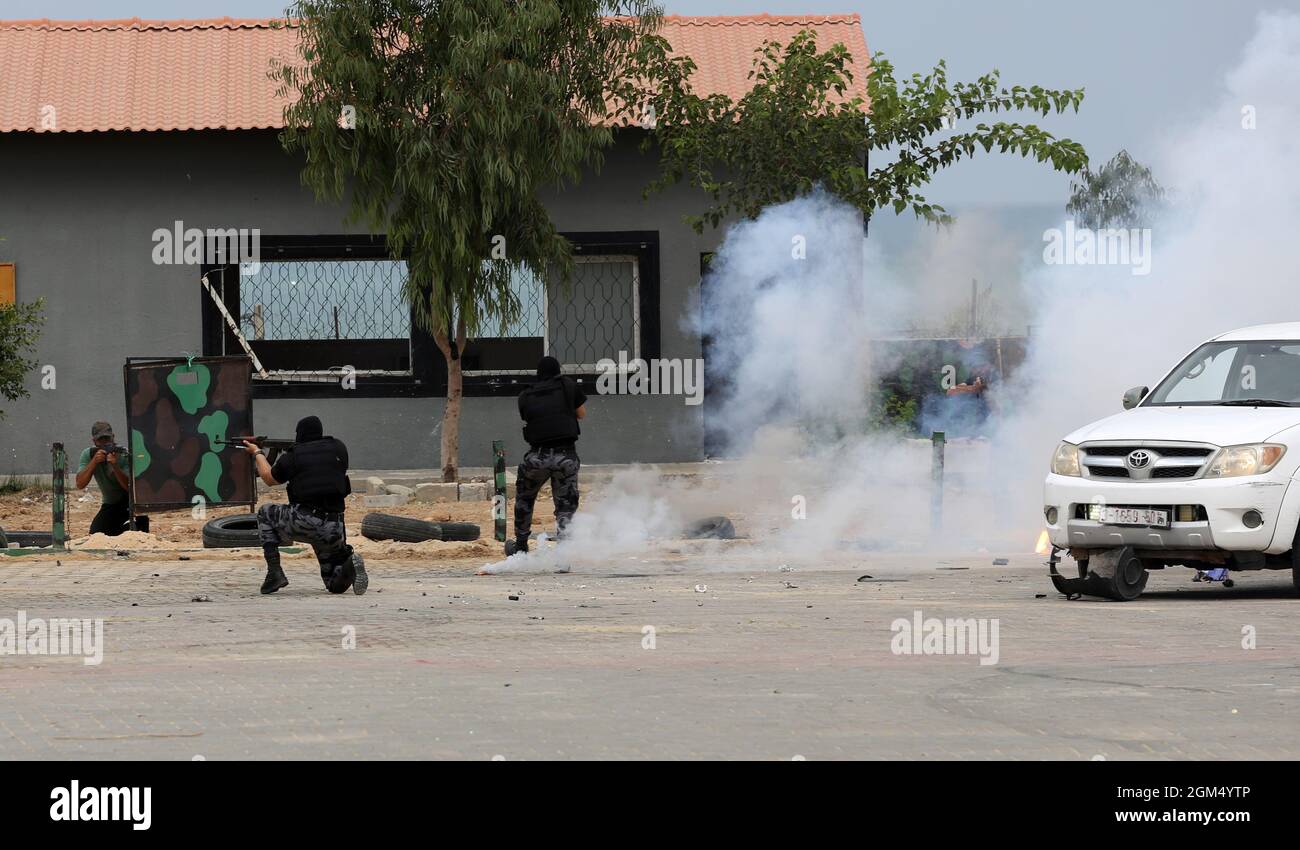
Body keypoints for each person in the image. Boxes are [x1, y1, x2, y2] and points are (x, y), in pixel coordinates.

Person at [244, 415, 367, 596]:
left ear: (299, 433)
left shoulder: (293, 456)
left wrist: (257, 453)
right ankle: (350, 564)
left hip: (305, 521)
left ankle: (274, 573)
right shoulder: (339, 448)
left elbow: (269, 478)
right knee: (334, 584)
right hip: (334, 528)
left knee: (265, 512)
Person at [511, 356, 586, 555]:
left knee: (524, 500)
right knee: (566, 506)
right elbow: (582, 414)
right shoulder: (567, 386)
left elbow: (529, 417)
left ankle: (520, 545)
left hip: (537, 457)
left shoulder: (526, 395)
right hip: (565, 456)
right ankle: (563, 552)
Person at [74, 421, 149, 536]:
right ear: (94, 441)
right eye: (100, 440)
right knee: (96, 533)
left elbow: (130, 487)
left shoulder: (123, 454)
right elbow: (80, 484)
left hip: (131, 503)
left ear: (113, 438)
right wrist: (94, 462)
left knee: (139, 530)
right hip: (111, 504)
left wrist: (115, 466)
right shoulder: (88, 455)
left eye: (107, 439)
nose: (104, 443)